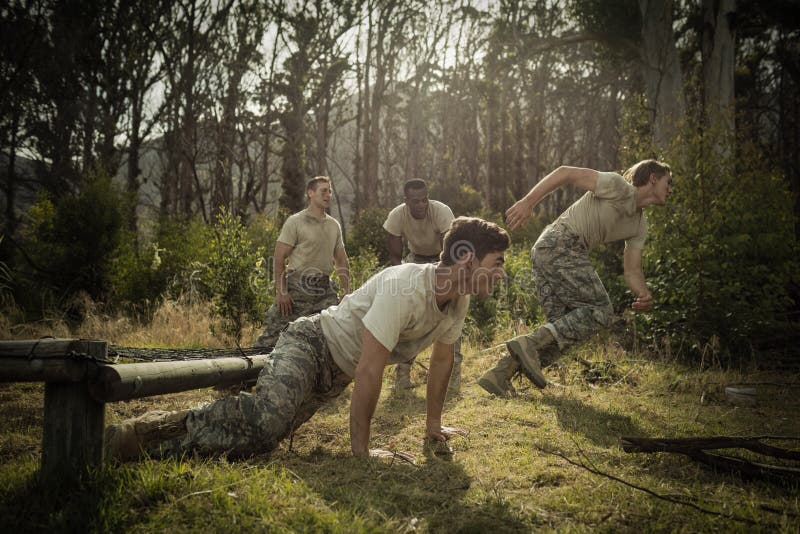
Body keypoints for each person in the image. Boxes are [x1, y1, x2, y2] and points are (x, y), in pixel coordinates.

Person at [106, 217, 510, 461]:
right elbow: (371, 369)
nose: (501, 274)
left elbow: (442, 362)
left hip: (335, 374)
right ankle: (133, 437)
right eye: (496, 264)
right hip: (313, 342)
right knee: (267, 420)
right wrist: (362, 452)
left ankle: (157, 445)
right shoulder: (404, 286)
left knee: (264, 439)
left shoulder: (458, 301)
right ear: (467, 259)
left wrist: (434, 425)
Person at [478, 160, 673, 397]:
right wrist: (528, 202)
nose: (670, 189)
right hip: (559, 243)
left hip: (553, 251)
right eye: (668, 182)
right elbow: (565, 173)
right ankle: (525, 345)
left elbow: (632, 270)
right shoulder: (617, 186)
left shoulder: (640, 225)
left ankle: (499, 375)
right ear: (653, 178)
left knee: (562, 335)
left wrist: (644, 294)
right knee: (601, 311)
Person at [383, 179, 463, 393]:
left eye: (424, 199)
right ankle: (402, 374)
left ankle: (453, 375)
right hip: (414, 260)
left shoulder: (441, 212)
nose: (421, 205)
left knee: (451, 313)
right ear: (406, 200)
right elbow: (394, 257)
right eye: (415, 201)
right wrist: (401, 282)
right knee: (410, 316)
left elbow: (450, 251)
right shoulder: (397, 216)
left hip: (442, 261)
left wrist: (444, 279)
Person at [255, 176, 350, 350]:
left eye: (330, 191)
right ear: (310, 193)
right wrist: (282, 292)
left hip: (324, 290)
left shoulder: (333, 225)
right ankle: (250, 374)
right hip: (298, 288)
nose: (328, 195)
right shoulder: (295, 222)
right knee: (271, 339)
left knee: (332, 338)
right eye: (323, 191)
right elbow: (278, 258)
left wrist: (346, 291)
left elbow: (342, 260)